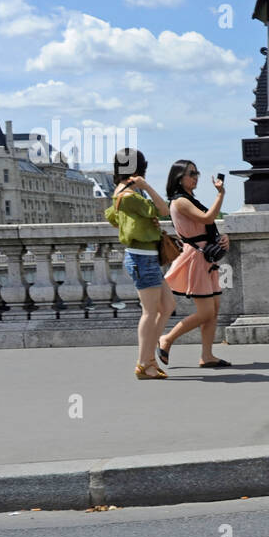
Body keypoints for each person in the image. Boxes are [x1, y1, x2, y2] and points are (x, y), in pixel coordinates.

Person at [109, 148, 174, 380]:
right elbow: (165, 210)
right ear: (139, 169)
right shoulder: (130, 196)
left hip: (144, 257)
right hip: (141, 257)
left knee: (166, 306)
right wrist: (146, 187)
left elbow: (114, 220)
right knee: (150, 312)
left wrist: (147, 224)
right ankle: (144, 363)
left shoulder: (122, 193)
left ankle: (148, 360)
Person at [159, 161, 231, 368]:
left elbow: (206, 227)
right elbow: (208, 218)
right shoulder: (180, 201)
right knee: (206, 311)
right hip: (196, 258)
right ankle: (167, 339)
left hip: (205, 256)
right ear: (178, 177)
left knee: (214, 308)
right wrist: (220, 194)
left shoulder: (189, 199)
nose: (196, 177)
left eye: (196, 173)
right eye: (191, 173)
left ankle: (207, 356)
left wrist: (223, 239)